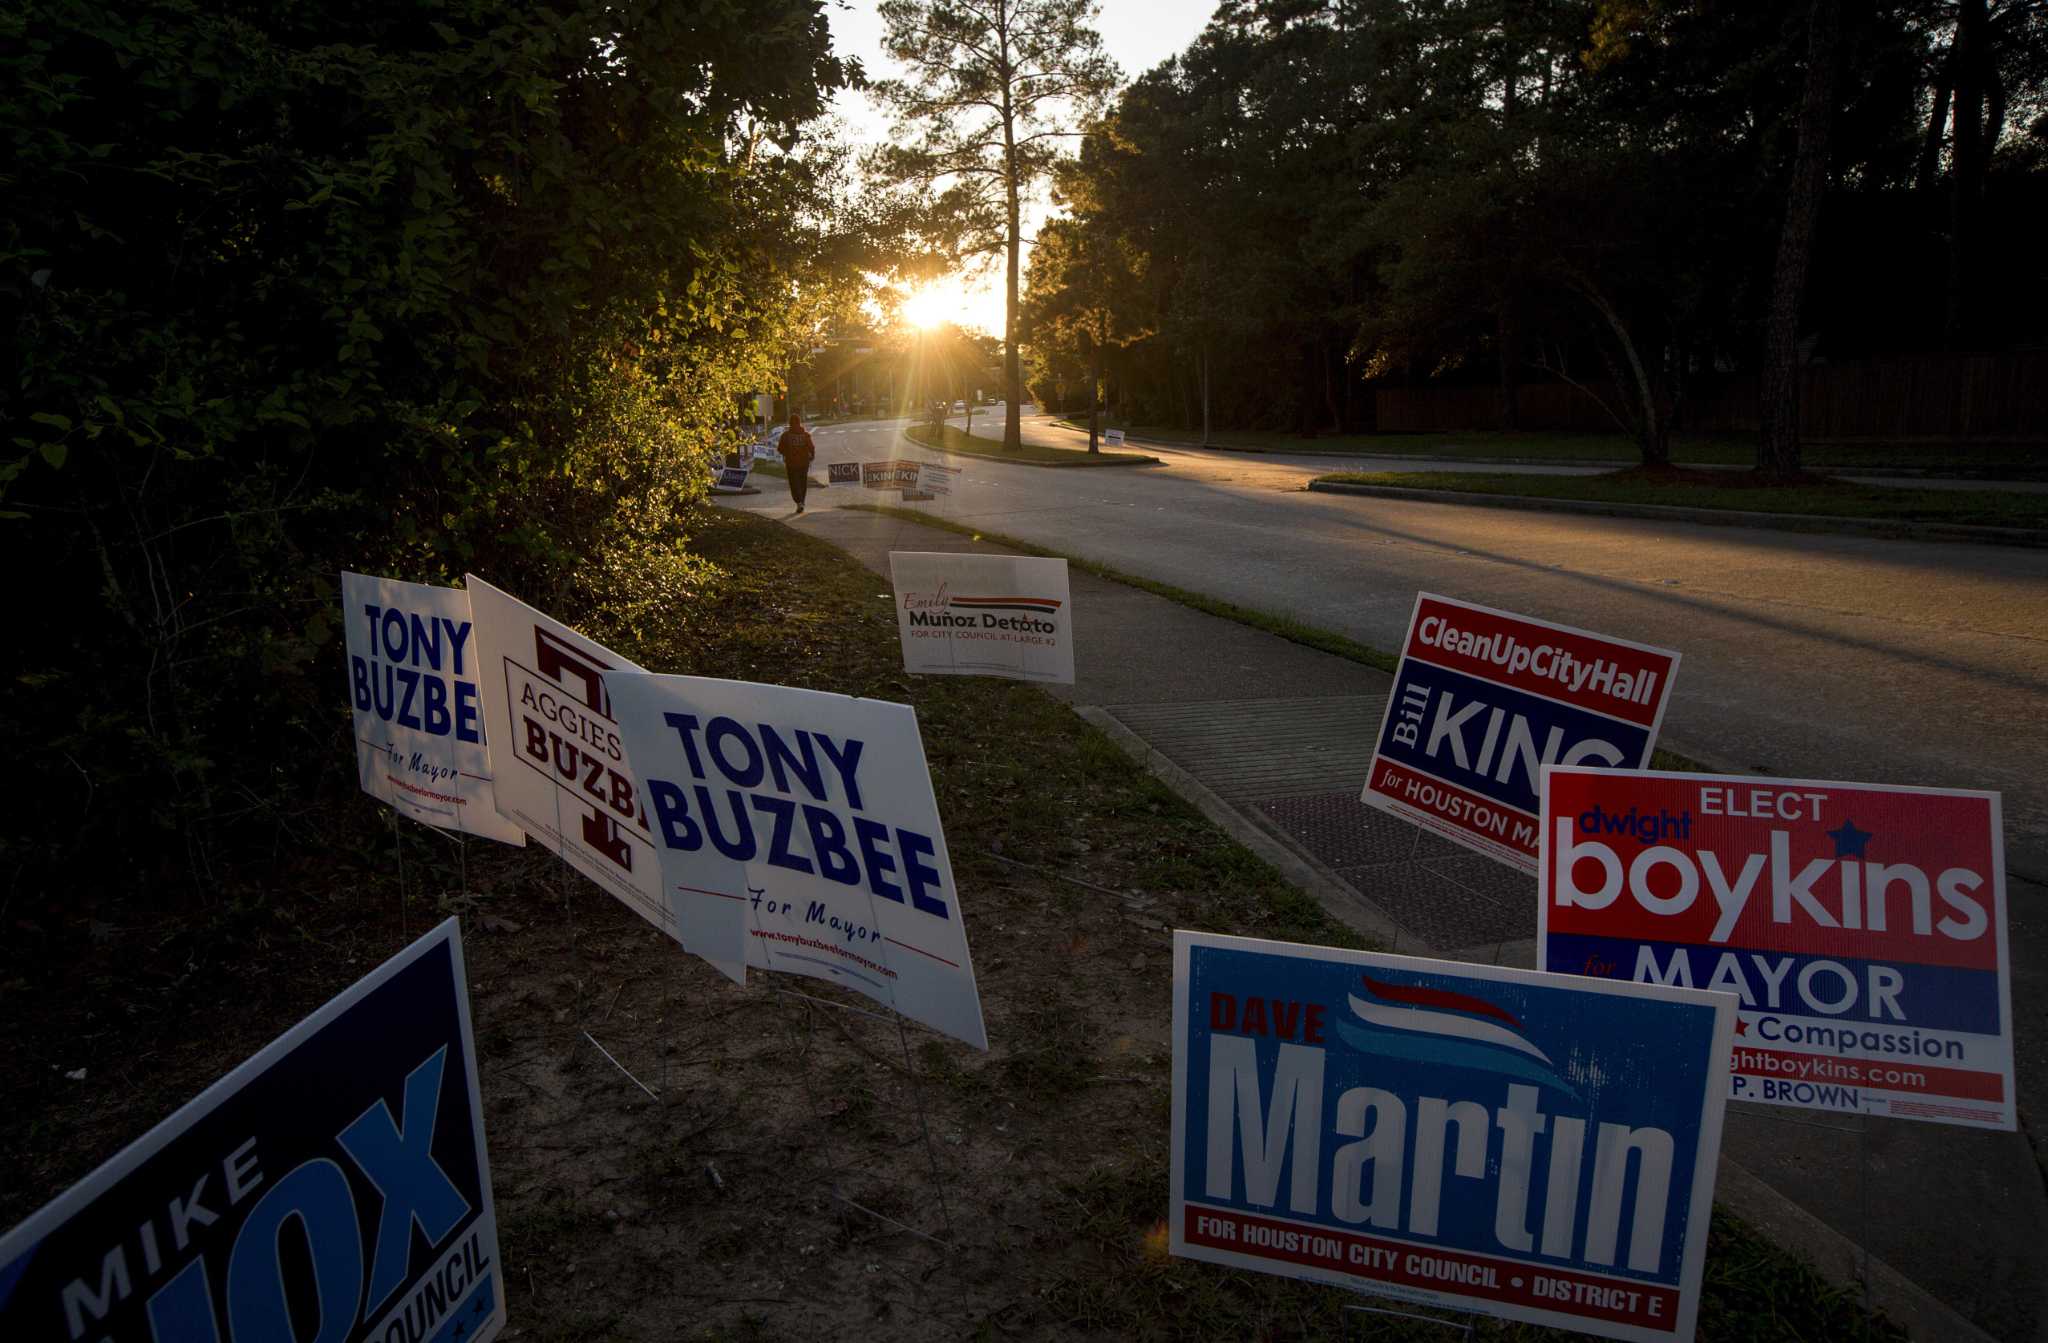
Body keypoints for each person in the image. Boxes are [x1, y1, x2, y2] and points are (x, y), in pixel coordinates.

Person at [777, 412, 816, 514]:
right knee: (803, 483)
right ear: (799, 423)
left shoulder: (785, 436)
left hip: (791, 464)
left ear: (790, 423)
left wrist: (787, 453)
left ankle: (798, 502)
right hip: (804, 463)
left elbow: (780, 449)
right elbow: (811, 447)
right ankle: (802, 501)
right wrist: (812, 456)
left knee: (794, 484)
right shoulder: (805, 435)